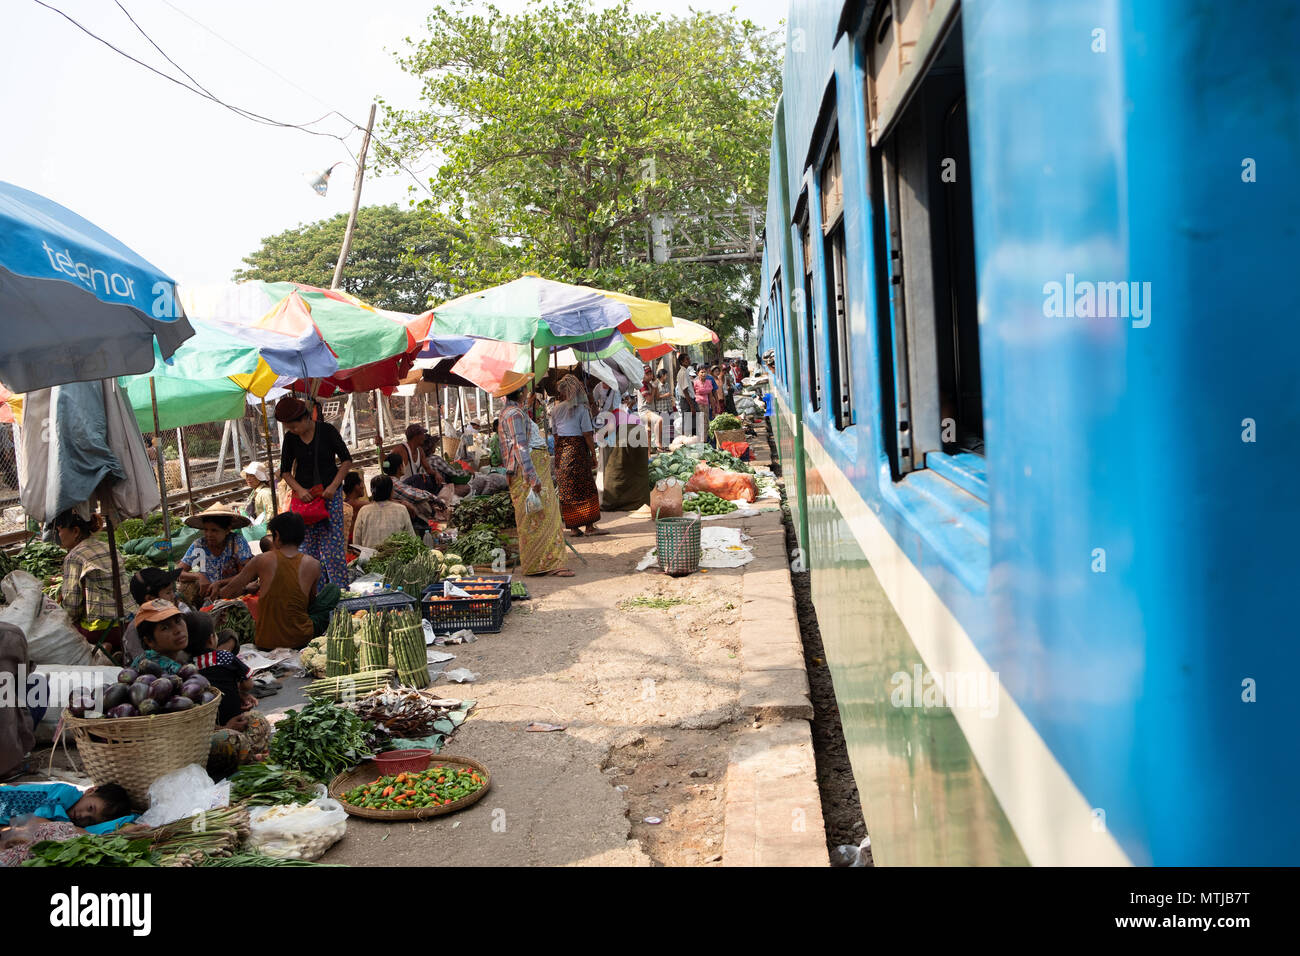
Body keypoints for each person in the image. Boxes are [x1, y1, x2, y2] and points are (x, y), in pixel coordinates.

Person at [276, 396, 352, 588]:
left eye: (294, 426)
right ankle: (314, 592)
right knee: (307, 547)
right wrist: (300, 490)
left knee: (332, 544)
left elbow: (346, 460)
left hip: (329, 495)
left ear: (306, 418)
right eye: (289, 428)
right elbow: (285, 471)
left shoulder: (327, 431)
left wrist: (334, 486)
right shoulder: (290, 439)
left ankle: (338, 591)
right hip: (305, 500)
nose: (293, 431)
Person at [496, 384, 572, 577]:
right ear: (521, 392)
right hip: (527, 472)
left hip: (528, 470)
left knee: (538, 516)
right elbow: (520, 447)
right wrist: (532, 477)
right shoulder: (513, 414)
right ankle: (550, 563)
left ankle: (542, 562)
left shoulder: (513, 412)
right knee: (542, 517)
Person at [219, 512, 320, 650]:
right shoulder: (314, 564)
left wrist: (244, 589)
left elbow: (228, 593)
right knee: (330, 594)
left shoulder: (262, 559)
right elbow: (311, 602)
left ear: (277, 536)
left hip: (266, 642)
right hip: (301, 639)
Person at [53, 510, 136, 639]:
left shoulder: (74, 557)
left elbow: (72, 606)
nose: (59, 536)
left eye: (59, 531)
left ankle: (102, 649)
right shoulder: (108, 547)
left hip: (103, 628)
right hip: (130, 620)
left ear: (75, 532)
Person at [549, 374, 606, 537]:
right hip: (577, 451)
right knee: (586, 487)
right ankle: (589, 526)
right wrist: (593, 455)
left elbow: (555, 435)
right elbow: (587, 434)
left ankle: (574, 528)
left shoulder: (555, 409)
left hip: (561, 453)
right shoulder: (582, 409)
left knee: (568, 489)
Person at [177, 506, 253, 603]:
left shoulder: (237, 542)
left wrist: (220, 583)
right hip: (207, 594)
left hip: (233, 591)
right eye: (206, 530)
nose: (209, 534)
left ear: (227, 530)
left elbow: (247, 574)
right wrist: (199, 576)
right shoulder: (199, 545)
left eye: (214, 530)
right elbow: (179, 573)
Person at [0, 781, 133, 834]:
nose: (83, 815)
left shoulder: (67, 820)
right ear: (91, 790)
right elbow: (38, 822)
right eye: (90, 808)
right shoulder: (66, 792)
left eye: (91, 820)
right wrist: (87, 834)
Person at [121, 566, 185, 663]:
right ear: (150, 599)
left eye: (173, 591)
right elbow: (142, 664)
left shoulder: (179, 610)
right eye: (168, 592)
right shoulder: (135, 629)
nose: (173, 596)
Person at [352, 475, 417, 550]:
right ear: (391, 491)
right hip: (397, 558)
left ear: (372, 492)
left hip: (370, 559)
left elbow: (356, 543)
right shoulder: (401, 509)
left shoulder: (364, 511)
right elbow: (412, 539)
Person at [392, 424, 439, 492]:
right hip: (403, 487)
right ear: (416, 436)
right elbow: (387, 464)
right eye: (422, 434)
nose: (424, 437)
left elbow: (428, 469)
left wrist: (436, 474)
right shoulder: (401, 449)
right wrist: (380, 449)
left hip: (414, 485)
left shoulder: (420, 450)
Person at [241, 461, 275, 528]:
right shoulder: (255, 491)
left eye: (252, 476)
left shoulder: (265, 492)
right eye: (247, 476)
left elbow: (271, 513)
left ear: (259, 477)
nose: (248, 479)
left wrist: (263, 526)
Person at [341, 471, 368, 544]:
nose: (363, 487)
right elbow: (378, 504)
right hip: (353, 540)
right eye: (362, 483)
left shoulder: (345, 502)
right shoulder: (356, 504)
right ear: (356, 486)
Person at [693, 365, 715, 439]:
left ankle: (705, 440)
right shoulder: (695, 383)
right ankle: (700, 440)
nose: (703, 374)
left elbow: (711, 396)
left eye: (705, 372)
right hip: (698, 405)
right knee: (700, 423)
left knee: (706, 423)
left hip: (706, 404)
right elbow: (692, 395)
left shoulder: (709, 382)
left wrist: (714, 409)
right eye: (701, 372)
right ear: (697, 373)